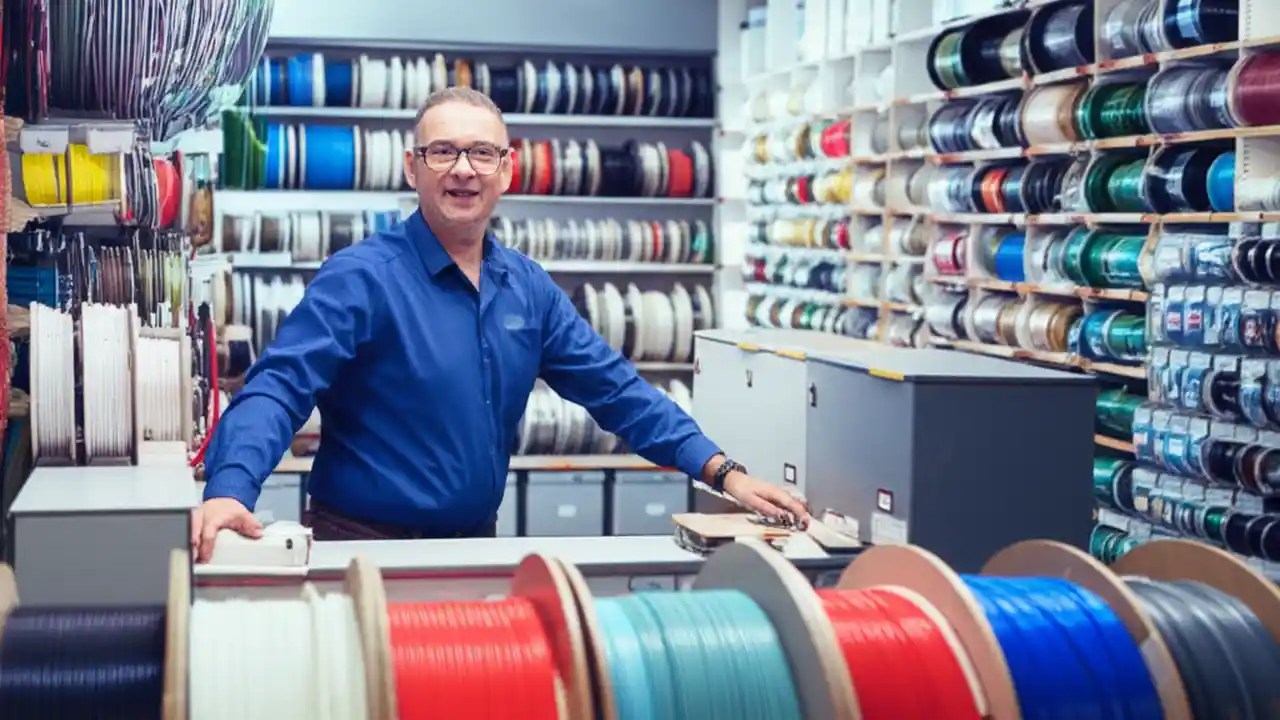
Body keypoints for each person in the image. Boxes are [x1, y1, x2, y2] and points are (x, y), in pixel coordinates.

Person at [192, 87, 808, 562]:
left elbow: (616, 391)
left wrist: (723, 471)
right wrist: (230, 489)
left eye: (482, 152)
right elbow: (278, 388)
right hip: (363, 549)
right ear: (413, 168)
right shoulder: (361, 278)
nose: (464, 169)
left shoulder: (527, 288)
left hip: (479, 545)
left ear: (506, 169)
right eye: (443, 152)